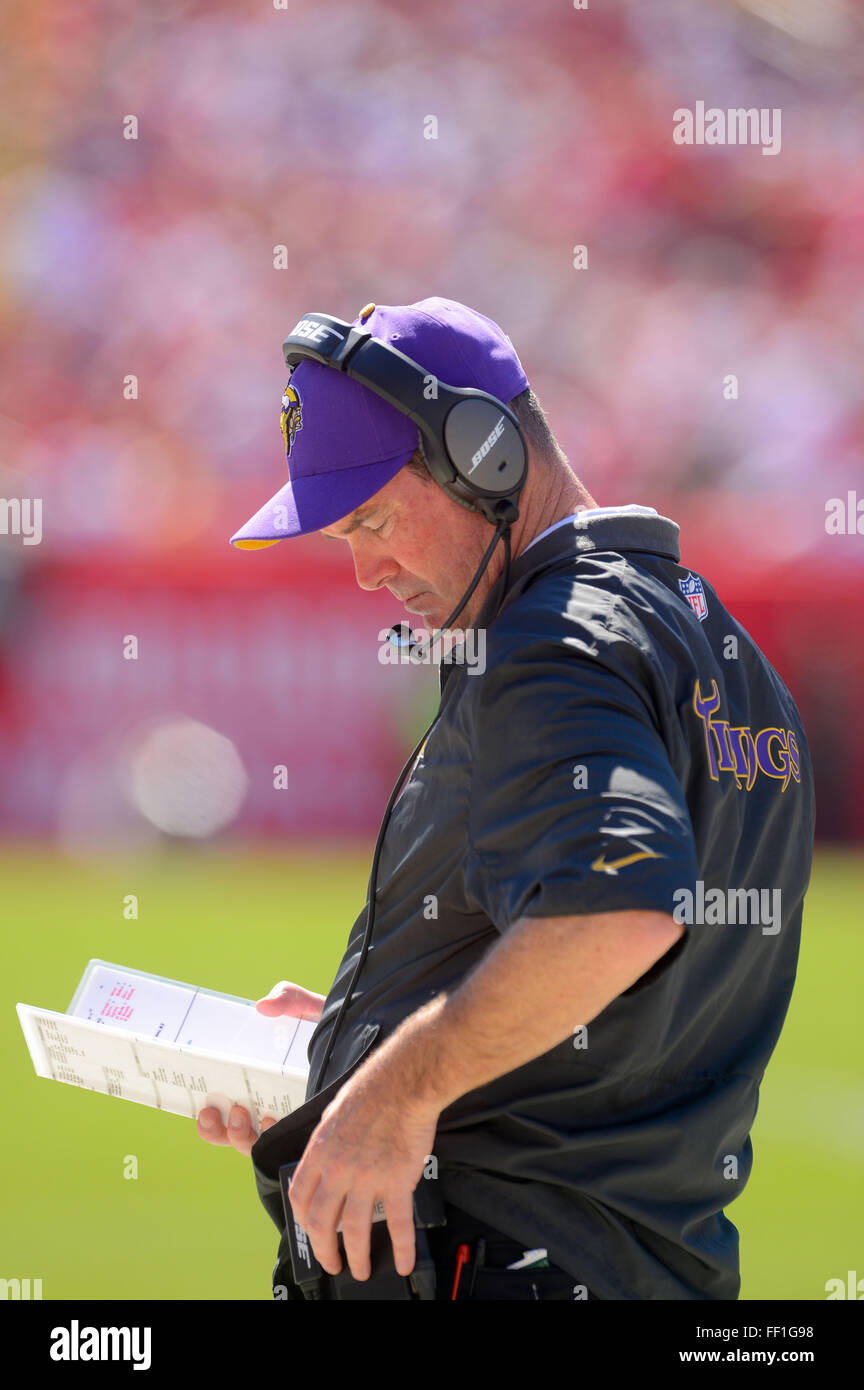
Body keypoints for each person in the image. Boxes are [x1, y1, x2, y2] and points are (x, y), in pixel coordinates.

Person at [197, 297, 815, 1300]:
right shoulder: (720, 648)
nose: (363, 571)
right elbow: (618, 1008)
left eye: (375, 519)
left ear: (484, 456)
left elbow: (616, 911)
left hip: (513, 1264)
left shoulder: (548, 642)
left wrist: (399, 1090)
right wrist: (363, 1038)